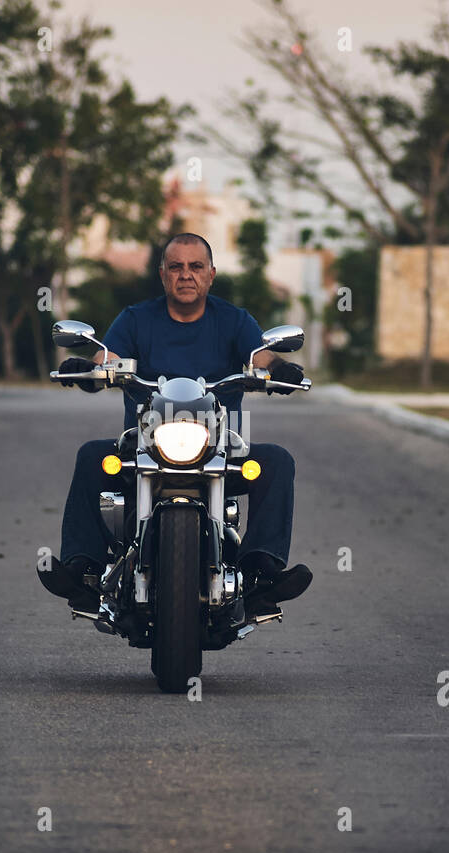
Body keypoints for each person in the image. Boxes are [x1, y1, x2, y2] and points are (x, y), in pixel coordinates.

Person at [45, 232, 312, 617]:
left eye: (195, 266)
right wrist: (87, 369)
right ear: (163, 274)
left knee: (278, 461)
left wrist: (281, 369)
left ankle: (262, 572)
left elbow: (262, 357)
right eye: (176, 267)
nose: (186, 274)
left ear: (211, 274)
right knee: (92, 456)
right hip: (143, 449)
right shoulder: (136, 319)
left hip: (220, 449)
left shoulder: (234, 321)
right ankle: (82, 569)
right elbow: (109, 359)